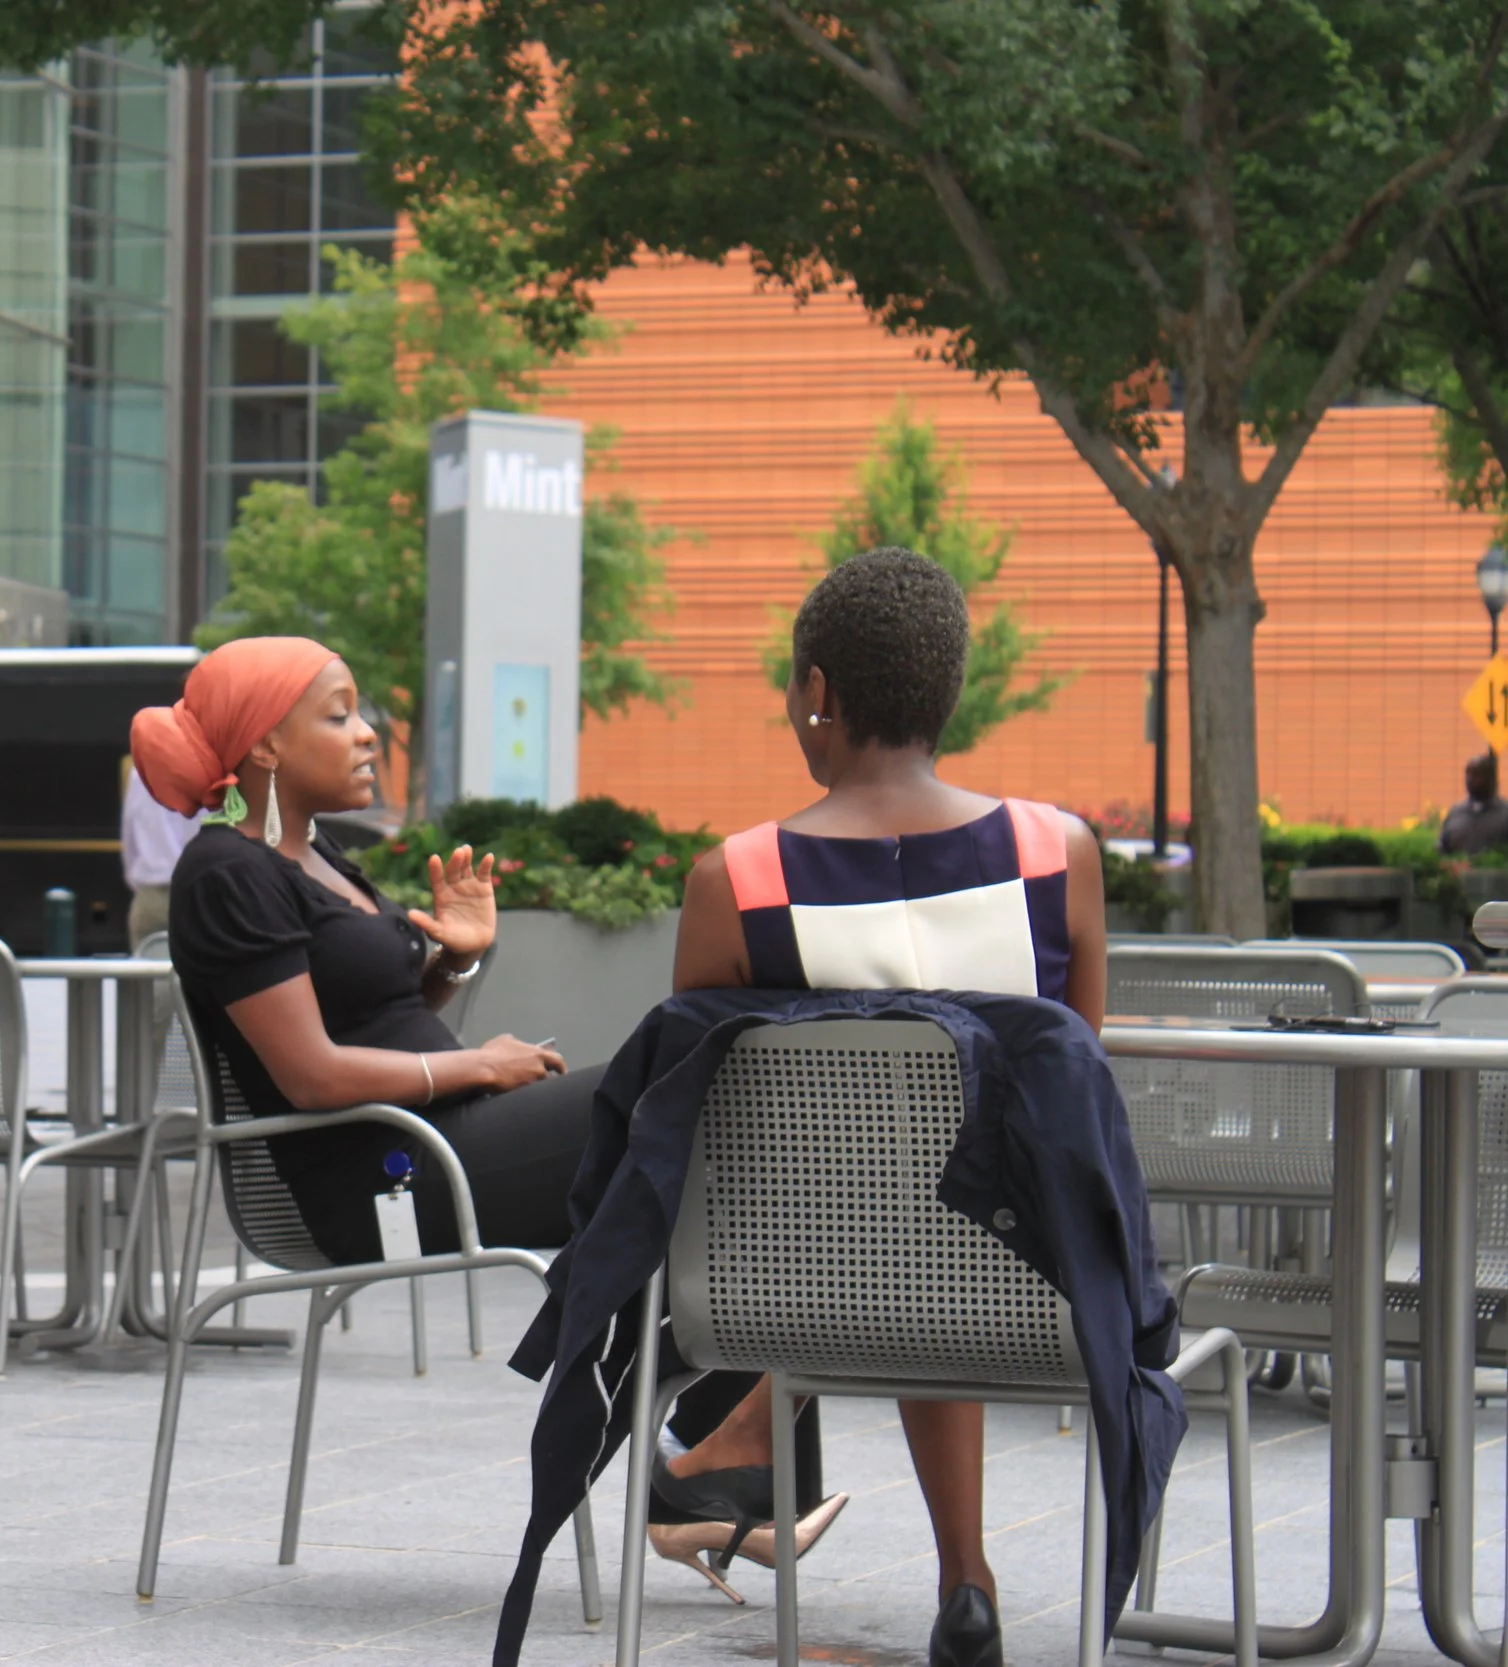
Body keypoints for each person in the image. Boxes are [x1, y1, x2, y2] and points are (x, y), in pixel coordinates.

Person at [661, 548, 1109, 1667]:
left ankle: (735, 1440)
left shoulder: (739, 879)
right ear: (948, 690)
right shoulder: (1058, 855)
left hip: (798, 1288)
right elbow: (1077, 1084)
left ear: (817, 690)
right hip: (1039, 1288)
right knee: (951, 1207)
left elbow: (704, 1114)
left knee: (897, 1219)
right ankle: (965, 1573)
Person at [130, 636, 593, 1265]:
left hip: (444, 1139)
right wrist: (481, 1066)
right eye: (338, 715)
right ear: (266, 743)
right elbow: (312, 1075)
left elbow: (371, 1021)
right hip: (386, 1174)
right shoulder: (228, 874)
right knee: (670, 1090)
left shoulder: (318, 857)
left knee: (687, 1134)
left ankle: (683, 1353)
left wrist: (454, 962)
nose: (369, 734)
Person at [122, 757, 201, 948]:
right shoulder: (203, 776)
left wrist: (137, 882)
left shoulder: (139, 775)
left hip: (151, 893)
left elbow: (129, 834)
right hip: (195, 893)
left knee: (145, 972)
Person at [1441, 751, 1508, 857]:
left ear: (1492, 780)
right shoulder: (1456, 813)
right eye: (1468, 773)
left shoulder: (1504, 814)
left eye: (1477, 774)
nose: (1470, 779)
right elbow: (1442, 849)